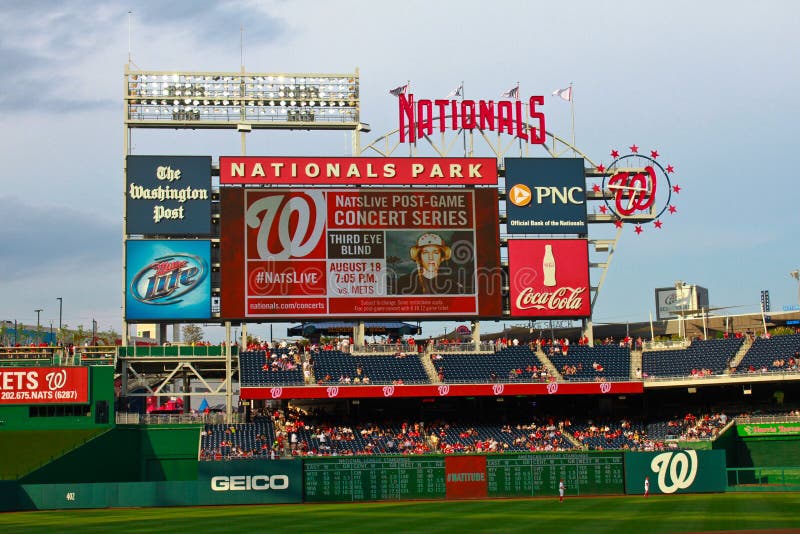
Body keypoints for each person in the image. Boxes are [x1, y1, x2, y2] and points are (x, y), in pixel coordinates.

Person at [389, 233, 467, 295]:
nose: (431, 257)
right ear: (419, 258)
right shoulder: (403, 283)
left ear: (442, 258)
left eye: (435, 253)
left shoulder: (453, 286)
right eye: (425, 253)